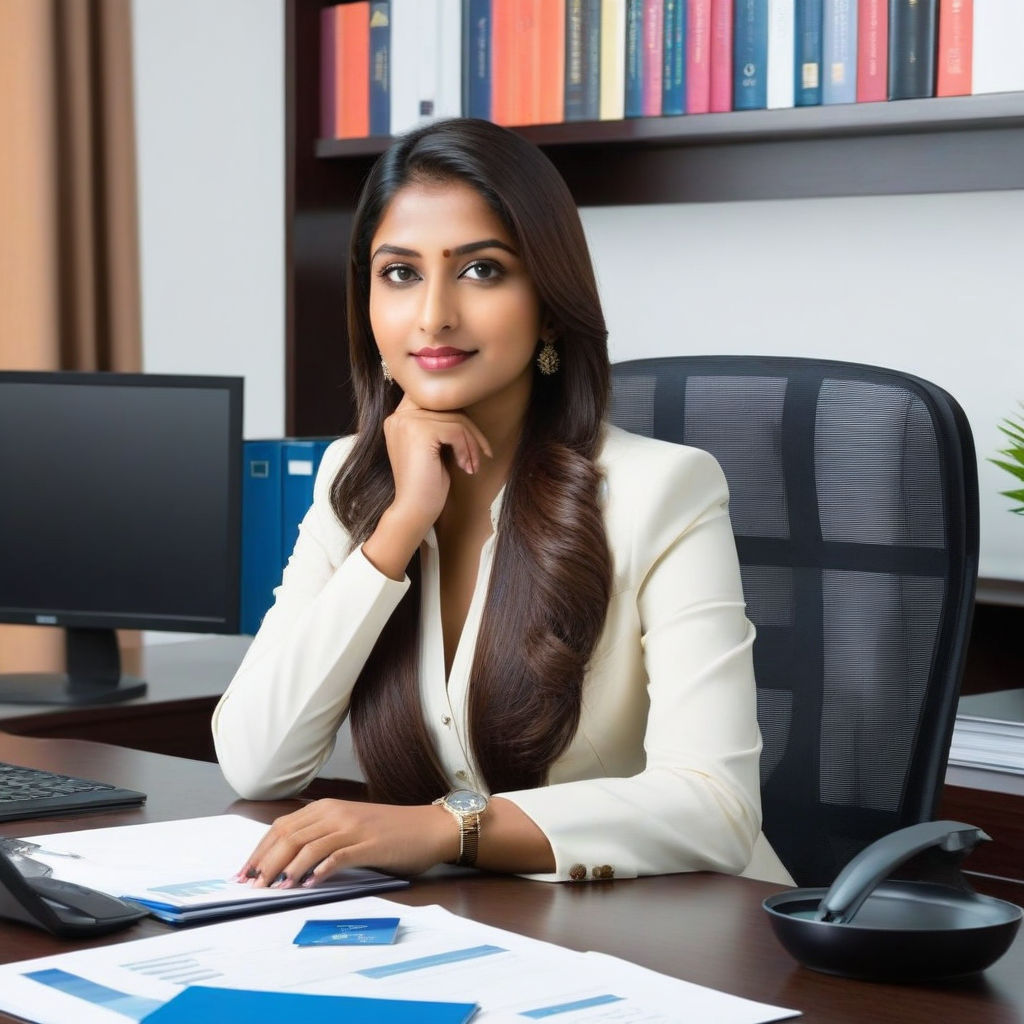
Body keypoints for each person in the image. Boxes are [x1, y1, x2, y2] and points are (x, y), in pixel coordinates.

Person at [212, 117, 791, 890]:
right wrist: (398, 528)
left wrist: (444, 829)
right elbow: (257, 761)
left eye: (481, 271)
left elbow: (715, 806)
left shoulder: (665, 490)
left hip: (682, 933)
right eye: (400, 273)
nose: (434, 316)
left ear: (549, 304)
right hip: (484, 931)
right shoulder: (350, 477)